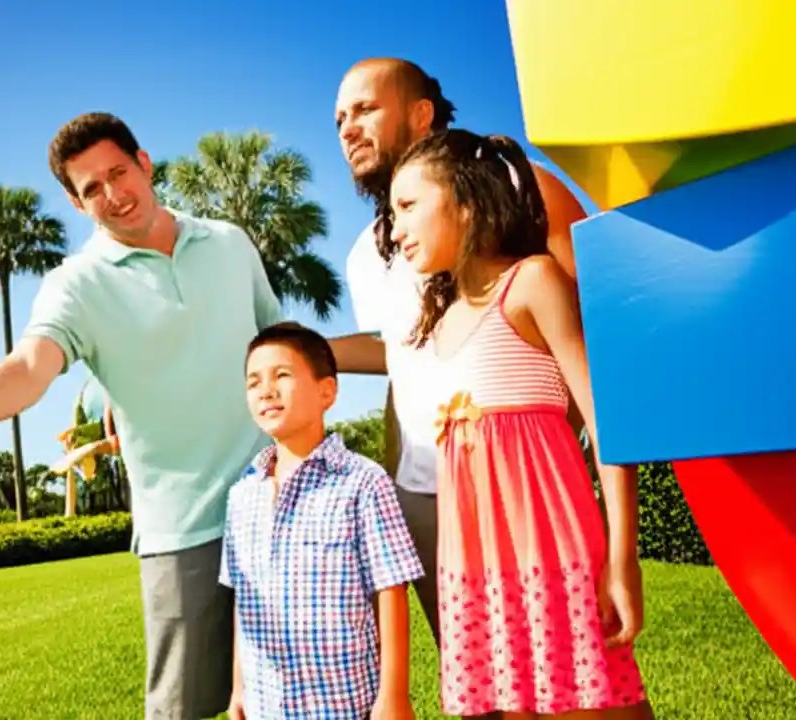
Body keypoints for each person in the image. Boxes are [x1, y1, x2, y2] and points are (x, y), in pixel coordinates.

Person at [0, 111, 286, 720]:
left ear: (145, 162)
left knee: (305, 691)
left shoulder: (228, 243)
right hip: (182, 528)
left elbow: (279, 346)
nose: (113, 195)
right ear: (74, 201)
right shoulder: (76, 285)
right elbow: (30, 365)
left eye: (118, 172)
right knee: (181, 710)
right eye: (91, 188)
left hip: (278, 507)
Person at [327, 57, 589, 652]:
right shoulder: (364, 255)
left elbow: (585, 319)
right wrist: (308, 353)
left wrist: (557, 460)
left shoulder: (521, 185)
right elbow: (399, 347)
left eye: (364, 108)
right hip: (423, 496)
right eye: (339, 117)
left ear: (421, 114)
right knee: (477, 679)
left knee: (575, 675)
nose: (346, 128)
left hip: (523, 483)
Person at [388, 128, 652, 719]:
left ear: (467, 200)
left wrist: (622, 553)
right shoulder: (443, 319)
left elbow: (603, 419)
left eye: (408, 207)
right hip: (478, 562)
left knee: (596, 699)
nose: (396, 229)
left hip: (550, 547)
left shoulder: (531, 282)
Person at [220, 322, 424, 719]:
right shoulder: (242, 495)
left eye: (282, 375)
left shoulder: (363, 481)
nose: (266, 390)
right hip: (267, 705)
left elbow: (391, 590)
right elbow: (241, 601)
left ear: (326, 391)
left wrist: (394, 696)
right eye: (253, 382)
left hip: (343, 703)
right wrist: (238, 688)